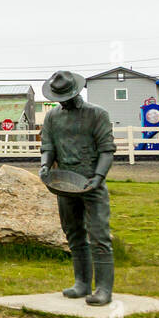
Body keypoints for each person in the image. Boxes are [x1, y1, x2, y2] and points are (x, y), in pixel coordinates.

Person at [39, 70, 116, 305]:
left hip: (92, 183)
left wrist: (99, 176)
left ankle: (103, 288)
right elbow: (48, 147)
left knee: (99, 235)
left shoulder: (97, 114)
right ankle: (82, 283)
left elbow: (106, 149)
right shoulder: (52, 117)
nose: (64, 101)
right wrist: (44, 165)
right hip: (64, 183)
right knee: (73, 233)